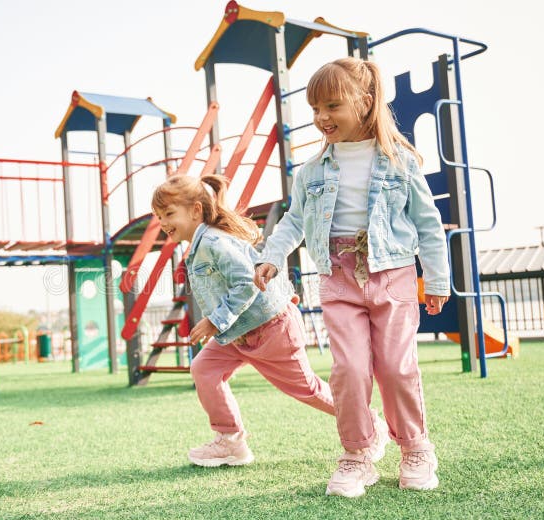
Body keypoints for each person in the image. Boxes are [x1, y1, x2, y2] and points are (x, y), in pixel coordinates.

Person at [254, 57, 450, 497]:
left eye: (332, 106)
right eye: (315, 109)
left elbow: (428, 225)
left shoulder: (400, 162)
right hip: (338, 277)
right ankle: (358, 453)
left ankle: (416, 447)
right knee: (349, 370)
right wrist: (272, 255)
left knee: (397, 368)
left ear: (365, 102)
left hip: (392, 273)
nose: (322, 118)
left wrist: (436, 280)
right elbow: (294, 221)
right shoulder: (312, 171)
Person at [151, 174, 389, 468]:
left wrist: (214, 321)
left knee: (309, 390)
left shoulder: (213, 242)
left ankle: (369, 424)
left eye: (169, 214)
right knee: (204, 368)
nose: (163, 222)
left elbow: (249, 283)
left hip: (272, 328)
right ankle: (230, 441)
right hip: (240, 333)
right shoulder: (202, 243)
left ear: (196, 210)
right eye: (159, 216)